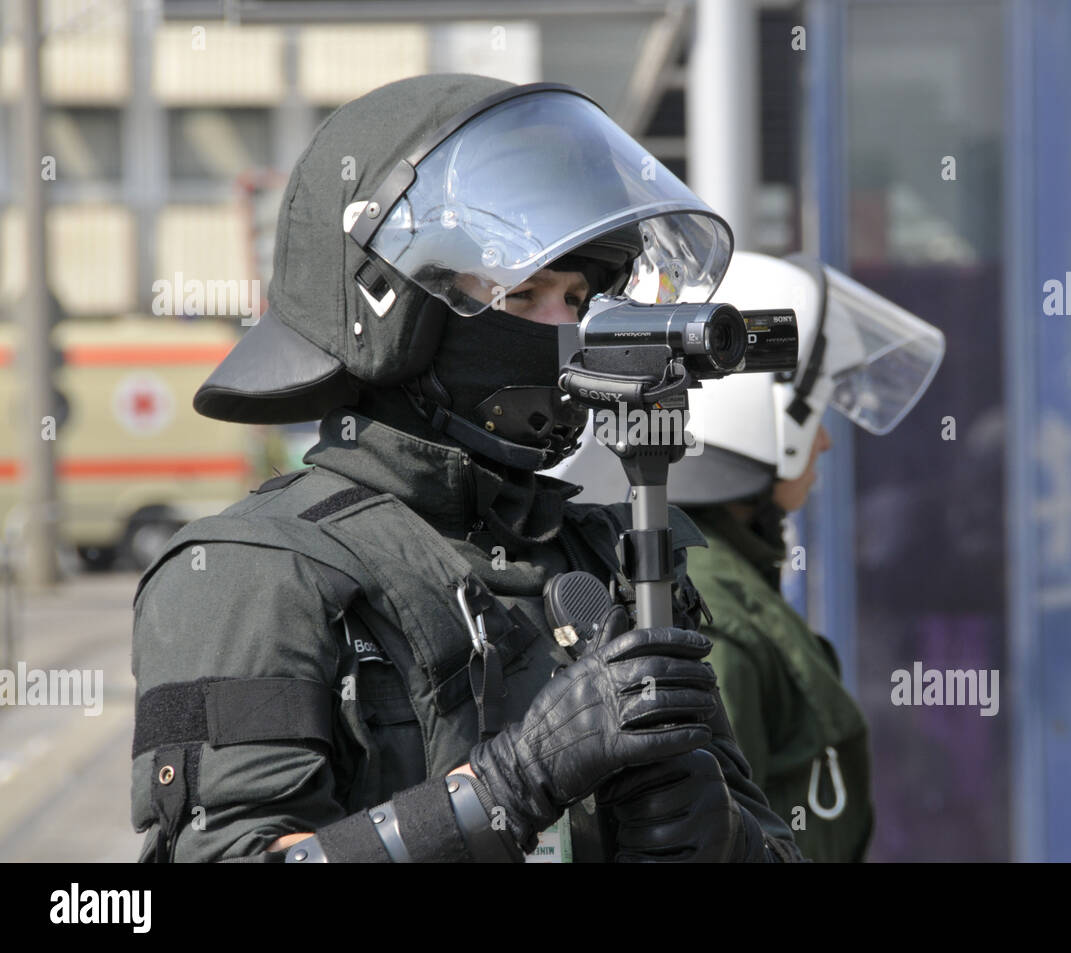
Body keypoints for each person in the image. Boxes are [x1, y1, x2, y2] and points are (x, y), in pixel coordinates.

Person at [129, 74, 803, 863]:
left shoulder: (606, 556)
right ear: (398, 317)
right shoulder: (253, 574)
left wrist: (725, 840)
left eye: (578, 295)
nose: (567, 327)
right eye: (525, 297)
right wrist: (502, 790)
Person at [548, 251, 945, 861]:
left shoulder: (722, 579)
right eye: (820, 413)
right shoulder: (704, 608)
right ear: (769, 418)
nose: (828, 440)